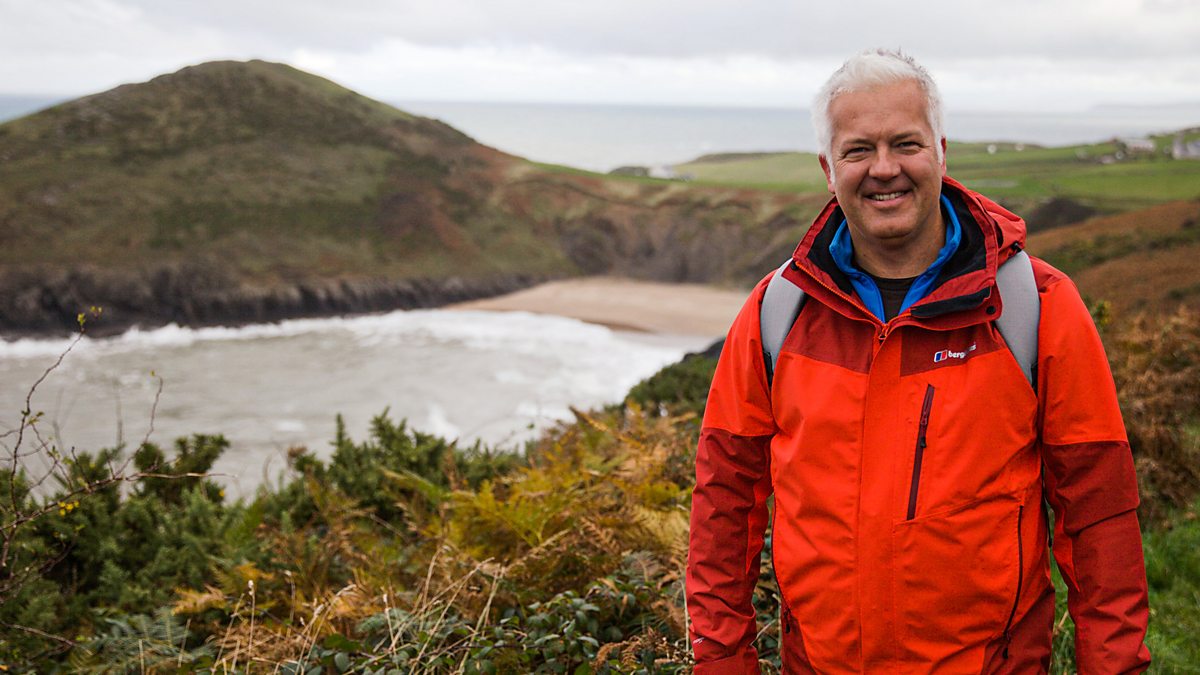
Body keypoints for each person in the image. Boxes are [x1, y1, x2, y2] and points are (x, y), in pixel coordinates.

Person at [685, 48, 1151, 674]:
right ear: (829, 168)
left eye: (906, 143)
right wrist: (722, 662)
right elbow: (724, 508)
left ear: (941, 151)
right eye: (857, 150)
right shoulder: (777, 312)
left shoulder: (1034, 305)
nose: (884, 169)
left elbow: (1099, 514)